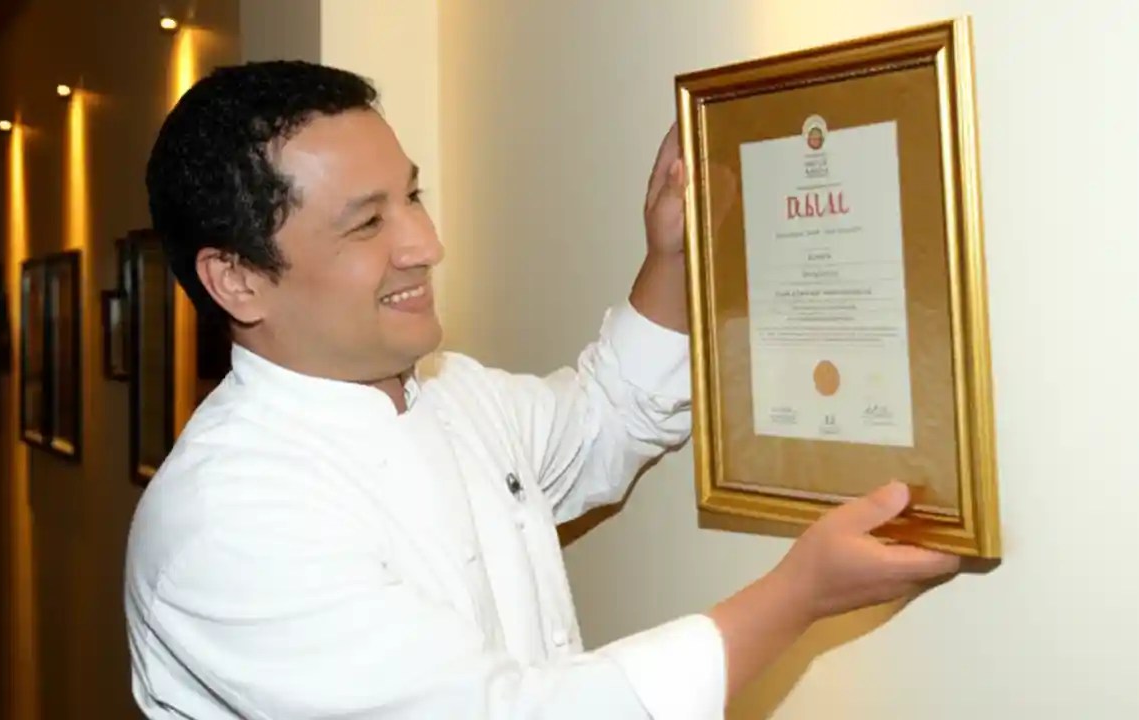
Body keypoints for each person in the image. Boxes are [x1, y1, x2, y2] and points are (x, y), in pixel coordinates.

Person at [124, 60, 959, 719]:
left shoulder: (450, 395)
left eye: (412, 194)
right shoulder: (227, 523)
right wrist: (797, 597)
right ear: (237, 280)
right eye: (368, 222)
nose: (426, 243)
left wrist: (668, 258)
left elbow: (604, 418)